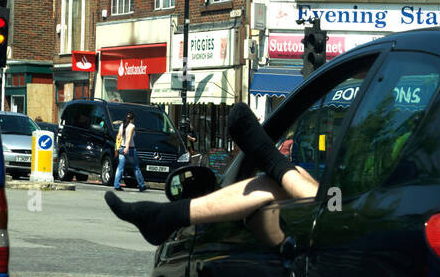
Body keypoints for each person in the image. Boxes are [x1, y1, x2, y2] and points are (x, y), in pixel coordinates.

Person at [105, 103, 316, 245]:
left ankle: (167, 217)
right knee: (296, 177)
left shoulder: (341, 205)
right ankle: (167, 216)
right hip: (338, 213)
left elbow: (329, 204)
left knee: (316, 195)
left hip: (338, 215)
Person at [114, 111, 146, 193]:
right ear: (133, 119)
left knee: (120, 167)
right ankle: (142, 185)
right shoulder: (132, 126)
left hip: (121, 148)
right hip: (130, 149)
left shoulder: (122, 125)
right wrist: (127, 147)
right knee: (136, 167)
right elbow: (129, 138)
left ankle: (116, 185)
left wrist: (118, 148)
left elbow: (118, 137)